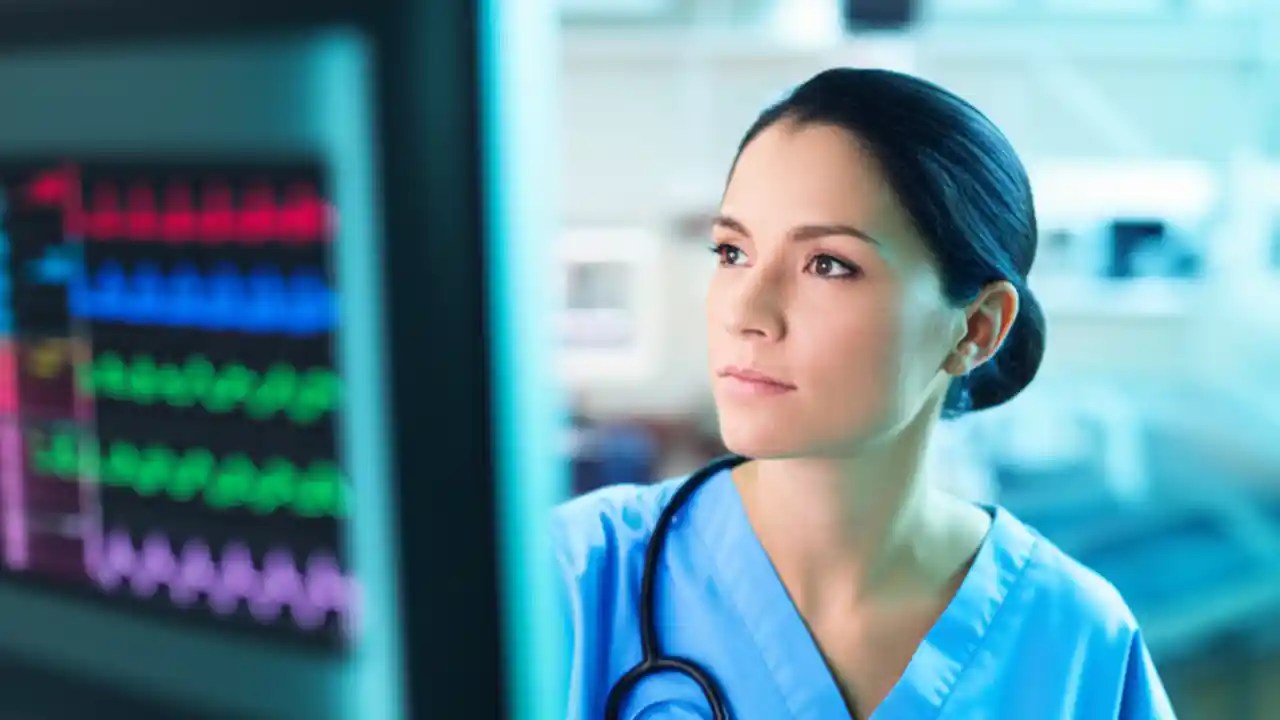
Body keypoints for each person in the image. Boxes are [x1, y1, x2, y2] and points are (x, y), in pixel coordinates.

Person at [551, 68, 1175, 719]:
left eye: (828, 265)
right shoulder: (574, 580)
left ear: (976, 329)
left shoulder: (1073, 641)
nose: (745, 313)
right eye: (733, 252)